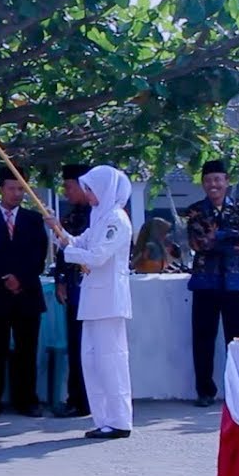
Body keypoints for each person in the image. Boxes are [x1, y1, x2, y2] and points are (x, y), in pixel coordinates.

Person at [49, 166, 134, 439]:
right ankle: (104, 419)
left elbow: (97, 256)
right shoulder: (99, 217)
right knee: (92, 361)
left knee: (111, 361)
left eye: (90, 189)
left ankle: (119, 421)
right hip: (93, 300)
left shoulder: (116, 220)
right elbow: (76, 243)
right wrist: (57, 229)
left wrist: (71, 251)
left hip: (109, 300)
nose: (87, 194)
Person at [0, 167, 49, 418]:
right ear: (0, 189)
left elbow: (38, 255)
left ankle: (27, 400)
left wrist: (20, 279)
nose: (17, 193)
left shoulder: (34, 219)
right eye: (11, 188)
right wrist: (5, 277)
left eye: (21, 189)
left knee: (26, 349)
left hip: (27, 293)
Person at [184, 159, 239, 408]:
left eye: (217, 179)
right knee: (203, 338)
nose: (213, 184)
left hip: (236, 281)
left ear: (226, 181)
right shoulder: (195, 210)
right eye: (208, 180)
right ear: (203, 184)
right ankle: (205, 391)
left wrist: (219, 235)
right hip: (205, 282)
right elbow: (198, 243)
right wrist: (232, 239)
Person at [54, 163, 93, 418]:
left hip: (92, 289)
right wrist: (60, 279)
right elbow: (62, 252)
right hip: (74, 289)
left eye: (69, 186)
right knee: (76, 345)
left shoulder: (100, 216)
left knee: (91, 348)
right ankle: (76, 398)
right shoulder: (70, 216)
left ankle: (88, 400)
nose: (66, 192)